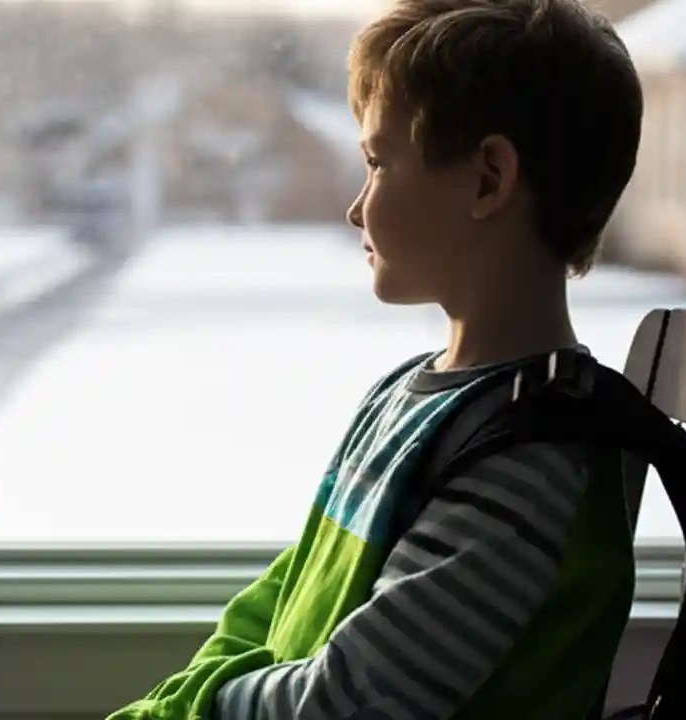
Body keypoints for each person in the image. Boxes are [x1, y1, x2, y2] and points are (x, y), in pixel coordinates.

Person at [108, 0, 644, 716]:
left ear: (489, 178)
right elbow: (278, 602)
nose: (356, 209)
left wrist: (195, 710)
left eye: (378, 162)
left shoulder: (531, 458)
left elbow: (348, 704)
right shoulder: (410, 396)